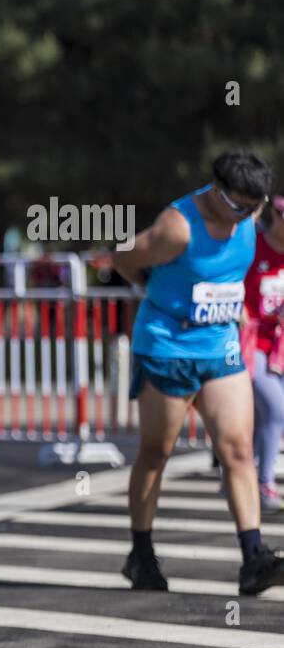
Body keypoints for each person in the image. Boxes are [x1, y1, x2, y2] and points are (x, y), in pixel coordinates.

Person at [114, 149, 284, 596]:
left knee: (239, 449)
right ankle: (141, 554)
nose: (246, 217)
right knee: (157, 452)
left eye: (255, 207)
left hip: (220, 346)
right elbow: (124, 259)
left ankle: (254, 558)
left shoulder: (251, 218)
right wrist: (158, 293)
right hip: (167, 347)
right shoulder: (177, 227)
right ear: (216, 190)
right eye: (238, 206)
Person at [242, 196, 284, 511]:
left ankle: (238, 474)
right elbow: (230, 282)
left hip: (280, 345)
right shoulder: (252, 246)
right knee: (275, 410)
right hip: (252, 341)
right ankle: (264, 483)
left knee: (260, 418)